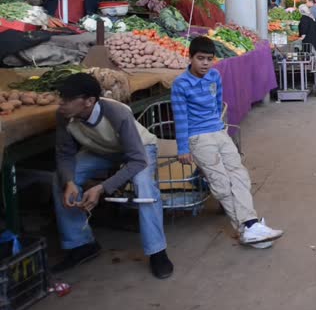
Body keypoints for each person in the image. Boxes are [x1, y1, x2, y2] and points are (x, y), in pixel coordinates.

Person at [52, 73, 173, 278]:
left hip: (139, 150)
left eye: (67, 99)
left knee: (143, 184)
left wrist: (101, 188)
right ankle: (80, 244)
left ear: (89, 101)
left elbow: (137, 160)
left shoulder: (117, 113)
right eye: (60, 98)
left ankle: (157, 251)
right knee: (60, 179)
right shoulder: (63, 116)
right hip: (103, 151)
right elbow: (65, 154)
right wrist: (70, 181)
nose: (61, 104)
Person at [172, 37, 283, 249]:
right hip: (198, 137)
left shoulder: (214, 75)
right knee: (220, 182)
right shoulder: (180, 84)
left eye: (209, 59)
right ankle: (246, 227)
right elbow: (180, 117)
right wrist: (183, 148)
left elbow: (217, 105)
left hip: (218, 132)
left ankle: (250, 224)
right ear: (191, 58)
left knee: (239, 175)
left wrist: (223, 131)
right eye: (200, 58)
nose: (205, 63)